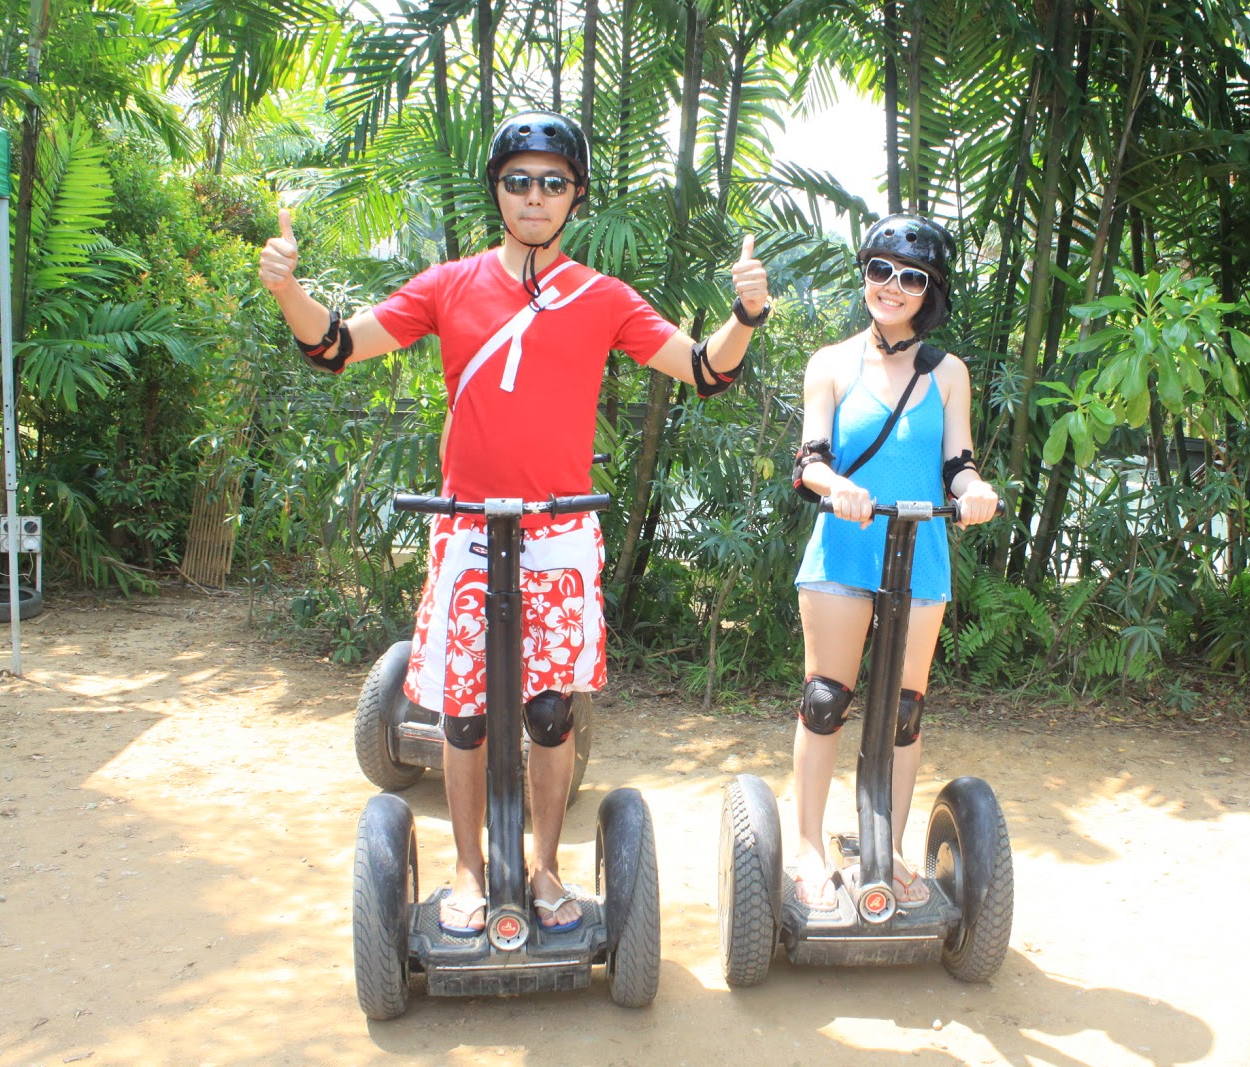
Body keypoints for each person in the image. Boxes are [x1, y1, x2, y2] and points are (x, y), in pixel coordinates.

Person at [258, 110, 769, 936]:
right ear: (497, 190)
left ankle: (543, 865)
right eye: (520, 180)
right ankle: (465, 866)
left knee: (548, 713)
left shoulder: (602, 296)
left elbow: (703, 370)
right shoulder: (448, 284)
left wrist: (744, 317)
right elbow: (339, 346)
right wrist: (288, 289)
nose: (536, 196)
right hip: (464, 527)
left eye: (554, 182)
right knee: (462, 711)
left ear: (576, 198)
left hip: (560, 533)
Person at [787, 213, 999, 910]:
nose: (892, 286)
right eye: (880, 270)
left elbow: (959, 465)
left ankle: (889, 848)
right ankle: (810, 849)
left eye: (910, 277)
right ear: (865, 275)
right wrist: (838, 486)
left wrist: (976, 492)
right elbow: (812, 460)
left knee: (905, 711)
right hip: (846, 544)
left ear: (930, 290)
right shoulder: (831, 363)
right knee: (826, 699)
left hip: (922, 549)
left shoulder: (948, 374)